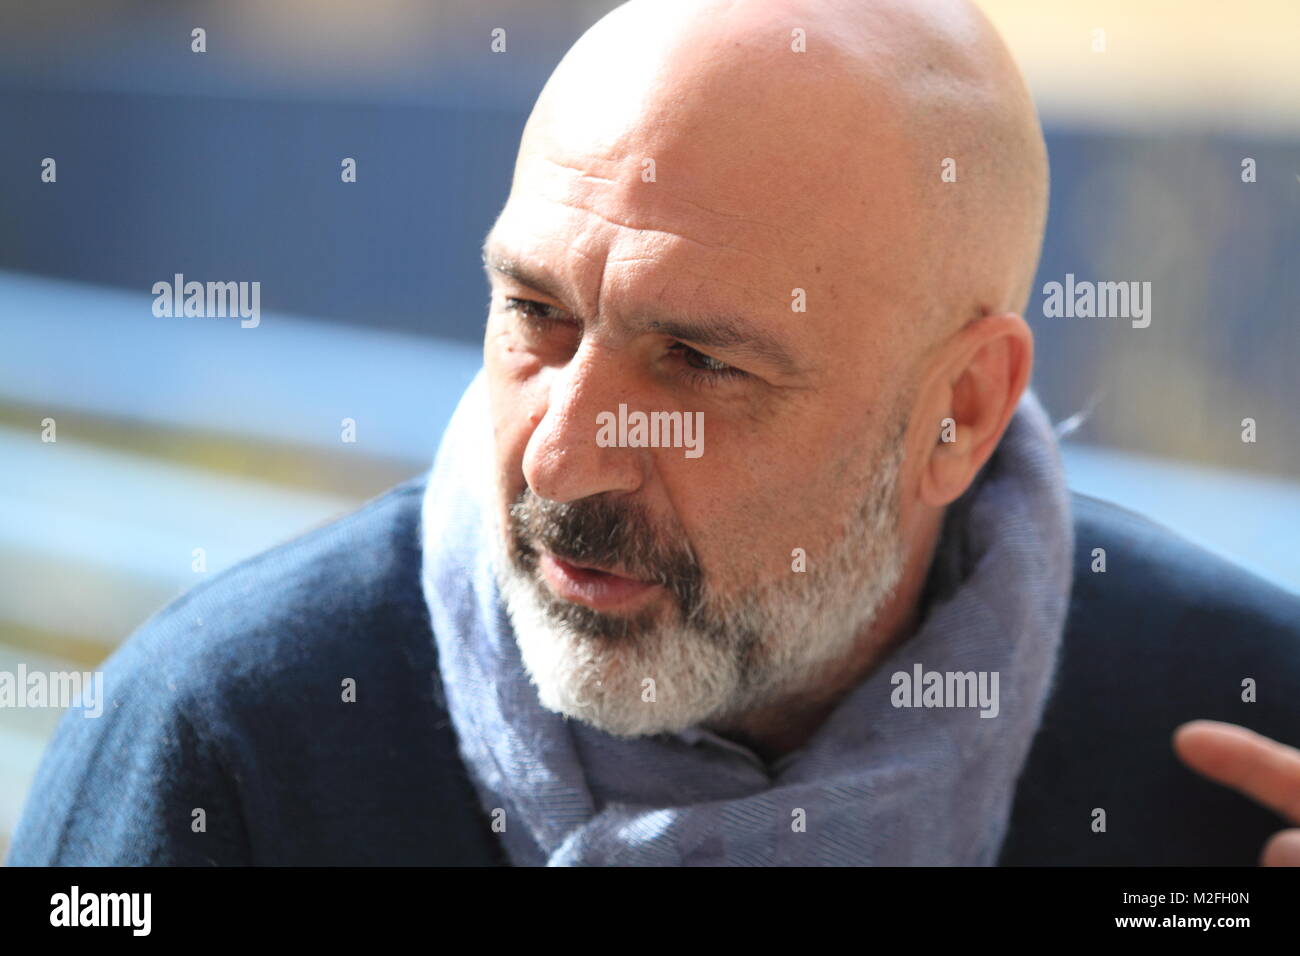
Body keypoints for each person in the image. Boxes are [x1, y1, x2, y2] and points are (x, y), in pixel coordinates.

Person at [9, 0, 1300, 867]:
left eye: (696, 362)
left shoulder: (1241, 742)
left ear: (957, 412)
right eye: (536, 314)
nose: (561, 458)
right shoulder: (229, 747)